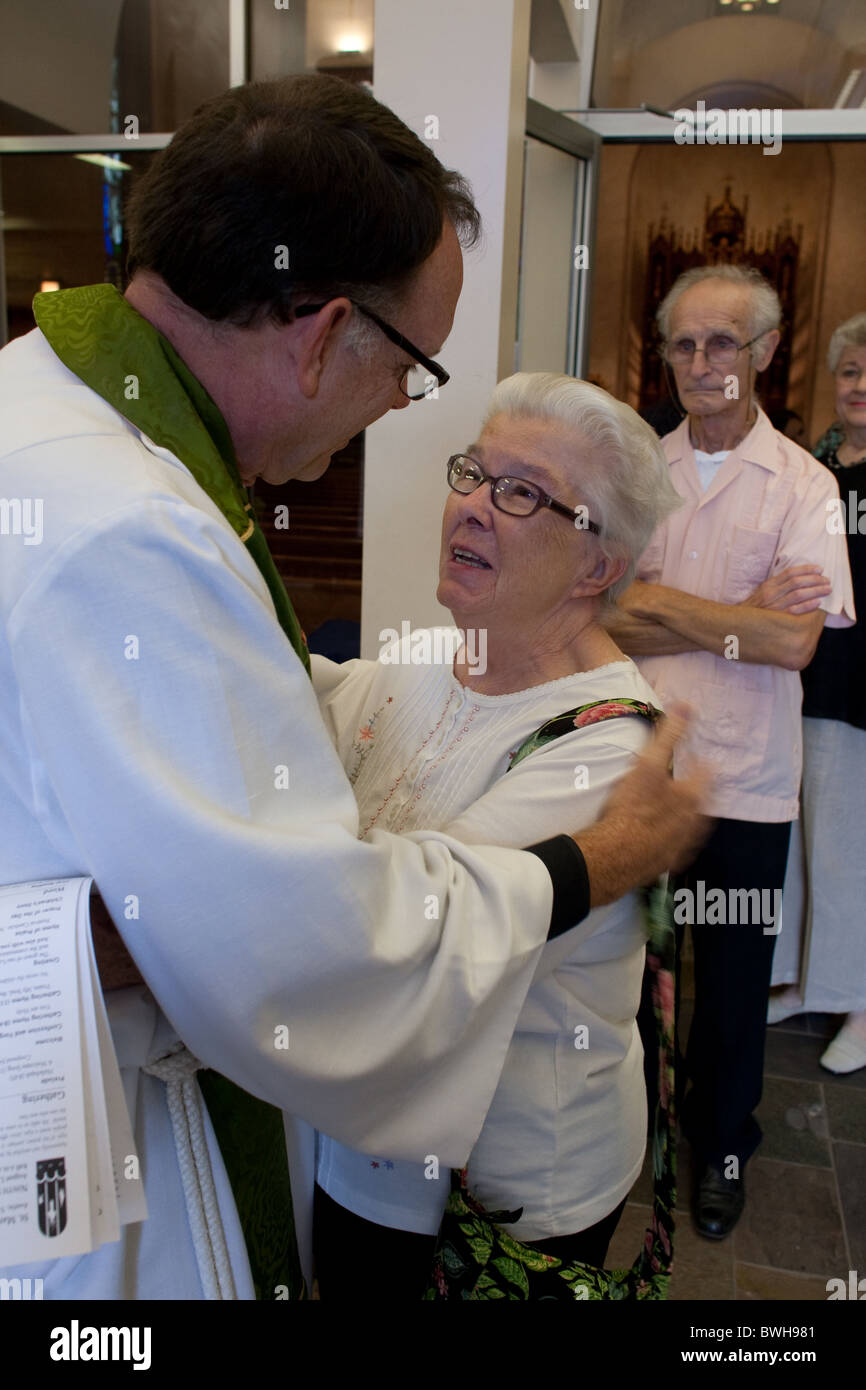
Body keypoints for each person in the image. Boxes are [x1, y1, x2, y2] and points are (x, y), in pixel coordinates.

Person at [0, 76, 706, 1300]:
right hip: (84, 1145)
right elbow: (313, 949)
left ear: (598, 560)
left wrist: (174, 919)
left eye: (526, 494)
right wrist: (599, 861)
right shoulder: (135, 532)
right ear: (326, 331)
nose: (400, 413)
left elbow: (282, 731)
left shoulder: (48, 412)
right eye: (413, 371)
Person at [307, 373, 682, 1299]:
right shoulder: (440, 653)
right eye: (474, 473)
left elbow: (409, 938)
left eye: (519, 493)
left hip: (500, 1196)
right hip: (364, 1141)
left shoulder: (611, 748)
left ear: (598, 566)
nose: (472, 507)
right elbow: (306, 699)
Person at [605, 264, 855, 1240]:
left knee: (730, 991)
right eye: (683, 343)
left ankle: (716, 1150)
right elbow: (607, 614)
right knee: (625, 970)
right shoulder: (634, 469)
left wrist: (664, 603)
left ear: (760, 353)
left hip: (746, 783)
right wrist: (735, 615)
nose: (701, 362)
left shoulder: (806, 484)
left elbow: (795, 641)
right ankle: (630, 1134)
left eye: (721, 343)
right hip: (641, 769)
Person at [771, 312, 866, 1073]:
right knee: (805, 847)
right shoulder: (813, 470)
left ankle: (862, 1007)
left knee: (850, 854)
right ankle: (810, 980)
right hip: (806, 679)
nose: (860, 386)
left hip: (862, 690)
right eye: (851, 371)